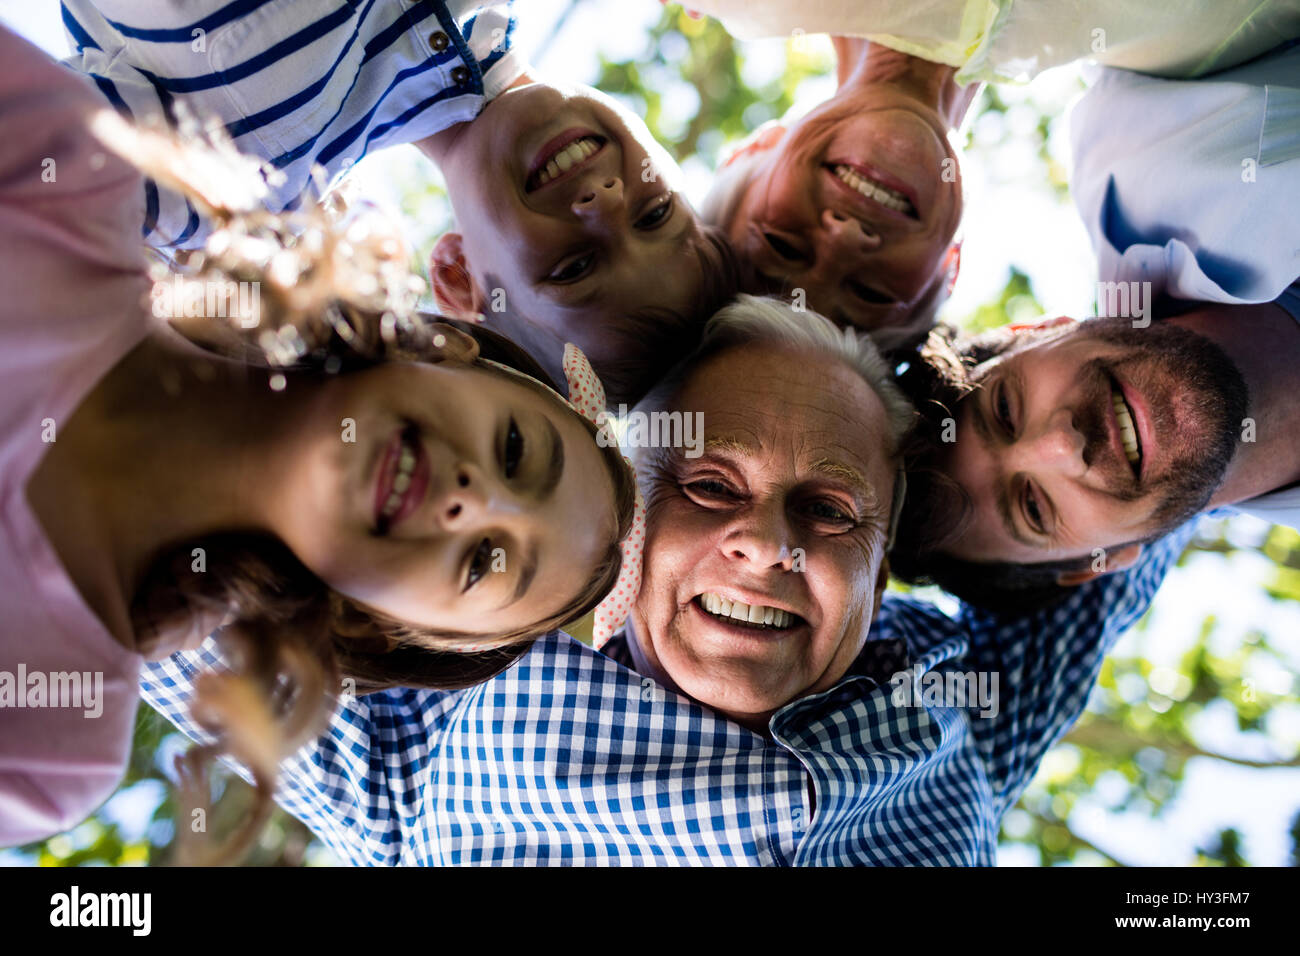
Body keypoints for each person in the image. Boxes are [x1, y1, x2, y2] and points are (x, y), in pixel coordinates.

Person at [137, 297, 1192, 865]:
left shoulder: (964, 703)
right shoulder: (423, 718)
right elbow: (124, 547)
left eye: (829, 511)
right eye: (702, 483)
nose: (764, 546)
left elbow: (1186, 468)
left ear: (884, 564)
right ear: (617, 513)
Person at [0, 26, 638, 853]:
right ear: (445, 349)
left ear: (380, 627)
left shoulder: (58, 738)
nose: (473, 497)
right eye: (515, 451)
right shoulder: (65, 175)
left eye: (486, 561)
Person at [61, 0, 742, 404]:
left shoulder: (237, 175)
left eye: (573, 268)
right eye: (657, 216)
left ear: (457, 275)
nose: (602, 201)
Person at [889, 39, 1300, 609]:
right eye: (1033, 506)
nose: (1064, 443)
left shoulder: (1143, 128)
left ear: (1041, 329)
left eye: (1007, 409)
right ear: (1101, 563)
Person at [687, 1, 1298, 349]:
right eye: (872, 293)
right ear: (950, 262)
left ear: (752, 151)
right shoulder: (1196, 52)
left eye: (780, 244)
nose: (847, 239)